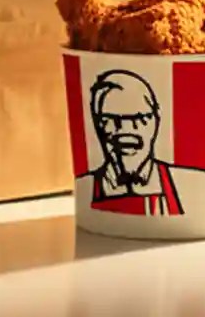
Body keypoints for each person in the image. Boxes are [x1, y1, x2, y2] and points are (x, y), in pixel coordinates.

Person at [79, 70, 187, 216]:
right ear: (97, 124)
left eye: (139, 119)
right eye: (111, 120)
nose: (126, 130)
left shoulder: (186, 183)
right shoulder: (84, 186)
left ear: (156, 121)